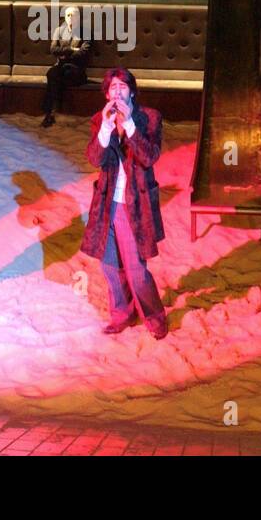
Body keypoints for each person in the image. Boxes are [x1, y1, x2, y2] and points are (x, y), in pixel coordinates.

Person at [83, 67, 169, 340]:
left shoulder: (149, 117)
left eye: (123, 86)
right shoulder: (100, 119)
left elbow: (149, 156)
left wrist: (129, 124)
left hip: (134, 204)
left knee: (136, 269)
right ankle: (122, 314)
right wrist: (106, 128)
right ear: (106, 94)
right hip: (106, 203)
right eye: (113, 87)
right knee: (110, 265)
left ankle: (154, 318)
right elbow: (94, 159)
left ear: (131, 91)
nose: (118, 92)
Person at [41, 5, 91, 128]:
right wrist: (71, 49)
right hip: (61, 67)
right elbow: (53, 50)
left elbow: (83, 53)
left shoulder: (86, 32)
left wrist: (64, 54)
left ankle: (50, 112)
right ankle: (52, 112)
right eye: (68, 15)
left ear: (78, 17)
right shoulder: (59, 31)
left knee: (57, 77)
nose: (70, 18)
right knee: (51, 73)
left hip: (76, 69)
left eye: (73, 15)